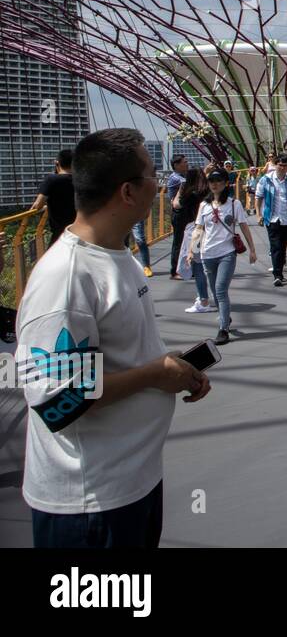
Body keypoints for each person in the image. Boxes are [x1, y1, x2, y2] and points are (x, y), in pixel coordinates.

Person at [17, 128, 211, 548]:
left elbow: (120, 357)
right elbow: (58, 402)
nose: (159, 185)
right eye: (151, 175)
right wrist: (155, 374)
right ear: (127, 192)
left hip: (133, 481)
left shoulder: (115, 255)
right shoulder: (66, 280)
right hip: (89, 503)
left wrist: (171, 366)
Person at [192, 168, 257, 345]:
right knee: (215, 292)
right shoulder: (204, 206)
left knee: (220, 290)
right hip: (207, 254)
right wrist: (191, 249)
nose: (214, 184)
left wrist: (252, 249)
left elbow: (243, 226)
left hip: (226, 253)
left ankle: (223, 329)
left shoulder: (234, 204)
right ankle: (225, 317)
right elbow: (199, 228)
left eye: (218, 180)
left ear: (226, 183)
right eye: (211, 181)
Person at [256, 154, 287, 286]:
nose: (282, 168)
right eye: (280, 165)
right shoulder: (265, 179)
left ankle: (280, 273)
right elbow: (258, 197)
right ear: (275, 164)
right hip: (272, 218)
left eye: (285, 165)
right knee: (275, 246)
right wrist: (258, 214)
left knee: (283, 246)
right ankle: (277, 275)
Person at [173, 170, 213, 314]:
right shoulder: (209, 193)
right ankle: (209, 296)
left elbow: (176, 204)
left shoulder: (190, 194)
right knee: (209, 265)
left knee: (198, 267)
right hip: (210, 231)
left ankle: (203, 300)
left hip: (194, 230)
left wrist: (180, 191)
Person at [31, 148, 76, 246]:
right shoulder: (82, 180)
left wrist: (44, 207)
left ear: (57, 163)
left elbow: (37, 206)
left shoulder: (51, 179)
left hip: (60, 234)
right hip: (80, 232)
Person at [164, 155, 188, 279]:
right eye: (184, 162)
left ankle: (183, 268)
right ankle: (174, 271)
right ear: (177, 165)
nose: (187, 163)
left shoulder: (182, 177)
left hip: (185, 212)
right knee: (178, 242)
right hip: (179, 213)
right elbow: (188, 185)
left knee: (185, 241)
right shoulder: (176, 178)